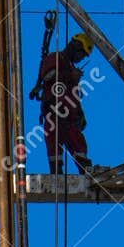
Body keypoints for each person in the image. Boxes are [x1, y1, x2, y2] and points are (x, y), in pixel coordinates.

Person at [30, 29, 94, 174]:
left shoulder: (70, 68)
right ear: (75, 47)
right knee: (53, 140)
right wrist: (71, 76)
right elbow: (48, 76)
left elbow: (74, 98)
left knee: (76, 140)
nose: (81, 59)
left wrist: (81, 114)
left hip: (69, 116)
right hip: (54, 111)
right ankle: (56, 170)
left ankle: (85, 168)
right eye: (81, 55)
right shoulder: (56, 58)